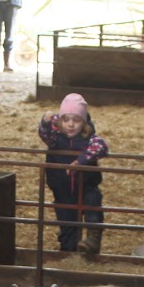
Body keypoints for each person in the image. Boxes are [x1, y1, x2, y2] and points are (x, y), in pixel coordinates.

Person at [38, 92, 108, 255]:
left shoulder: (89, 138)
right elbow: (43, 133)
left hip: (86, 186)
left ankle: (92, 242)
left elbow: (102, 146)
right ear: (60, 121)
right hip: (62, 190)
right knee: (67, 224)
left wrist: (80, 161)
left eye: (76, 120)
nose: (71, 124)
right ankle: (68, 253)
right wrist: (45, 121)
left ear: (84, 122)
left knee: (93, 207)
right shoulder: (55, 138)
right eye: (66, 119)